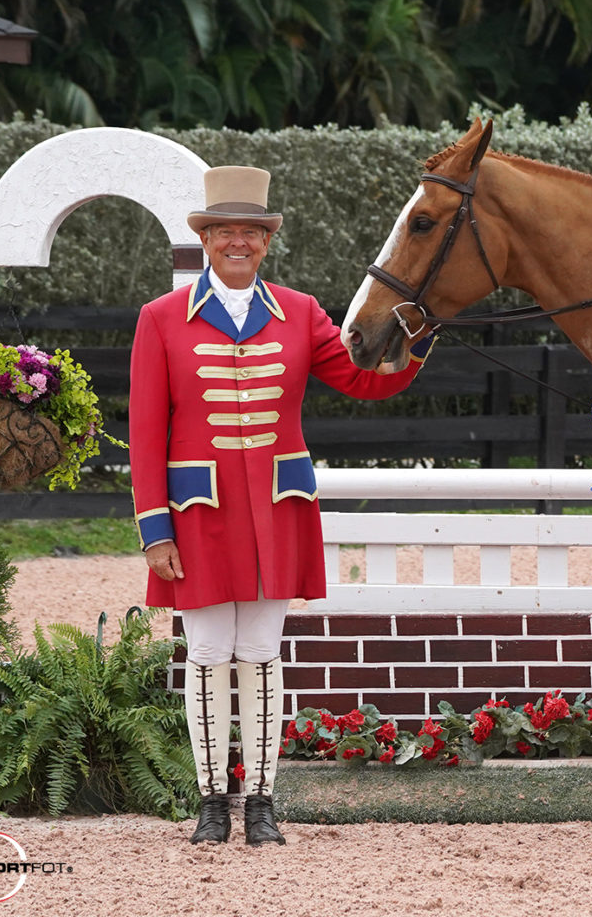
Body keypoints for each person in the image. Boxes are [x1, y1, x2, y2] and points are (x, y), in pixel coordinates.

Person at [129, 166, 432, 846]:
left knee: (262, 651)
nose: (238, 243)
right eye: (225, 232)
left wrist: (413, 347)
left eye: (251, 233)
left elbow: (360, 379)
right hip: (197, 513)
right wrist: (155, 530)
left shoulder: (300, 312)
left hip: (275, 508)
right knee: (207, 651)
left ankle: (262, 801)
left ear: (267, 242)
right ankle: (211, 802)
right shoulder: (159, 320)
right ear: (205, 240)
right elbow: (146, 434)